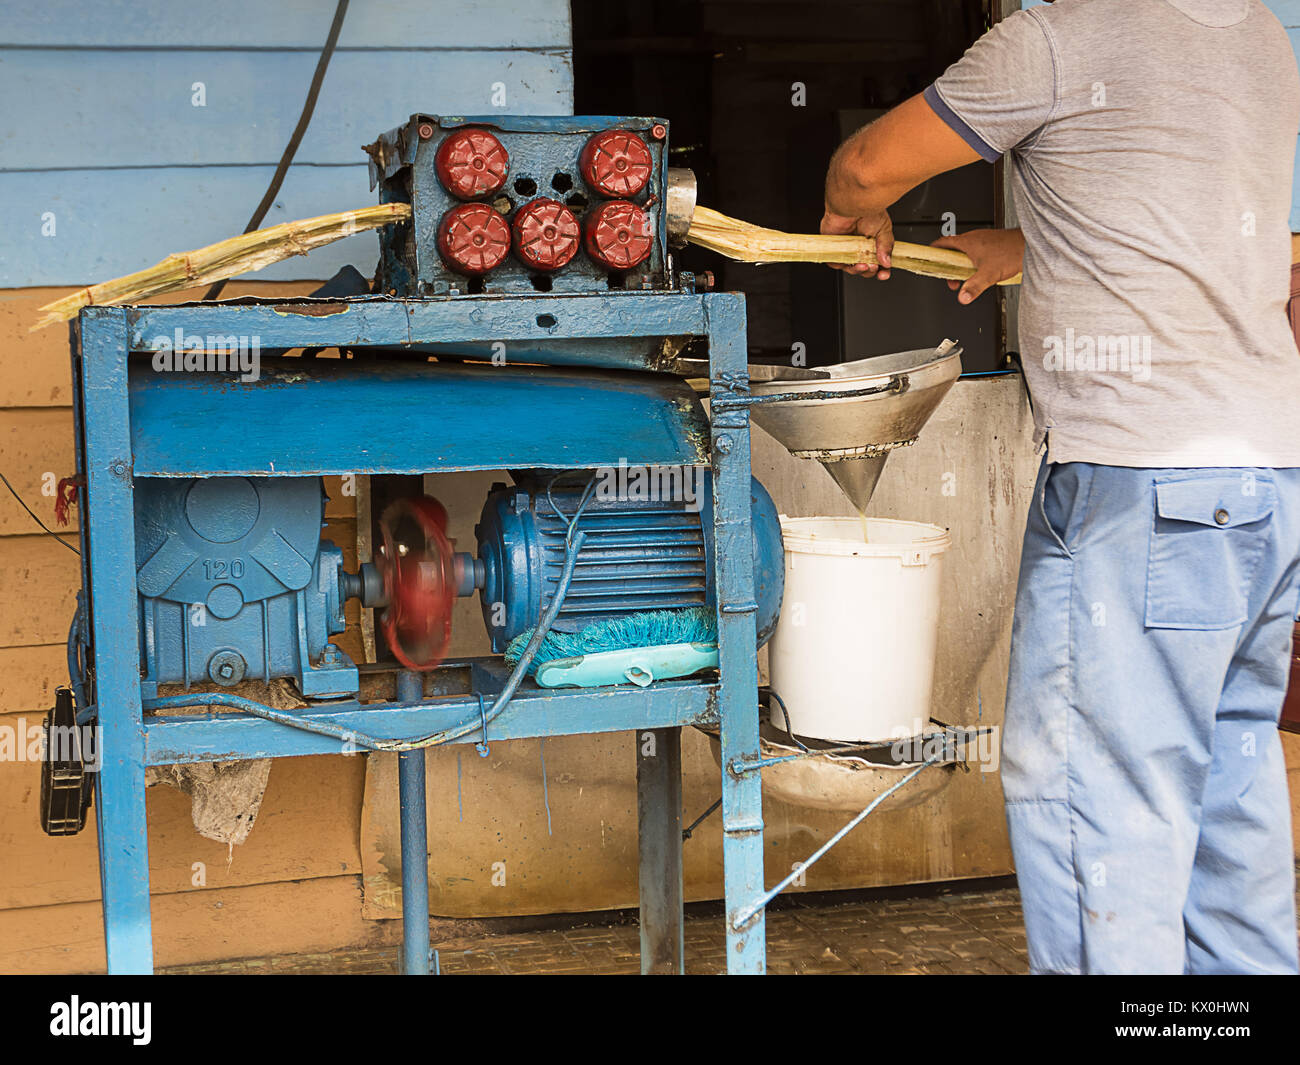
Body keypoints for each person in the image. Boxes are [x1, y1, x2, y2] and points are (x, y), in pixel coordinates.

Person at [821, 0, 1300, 974]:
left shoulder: (1058, 36)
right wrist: (1027, 244)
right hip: (1261, 481)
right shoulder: (1254, 30)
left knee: (1097, 806)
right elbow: (1175, 212)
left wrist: (852, 205)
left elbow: (870, 163)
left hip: (1140, 488)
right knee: (1224, 800)